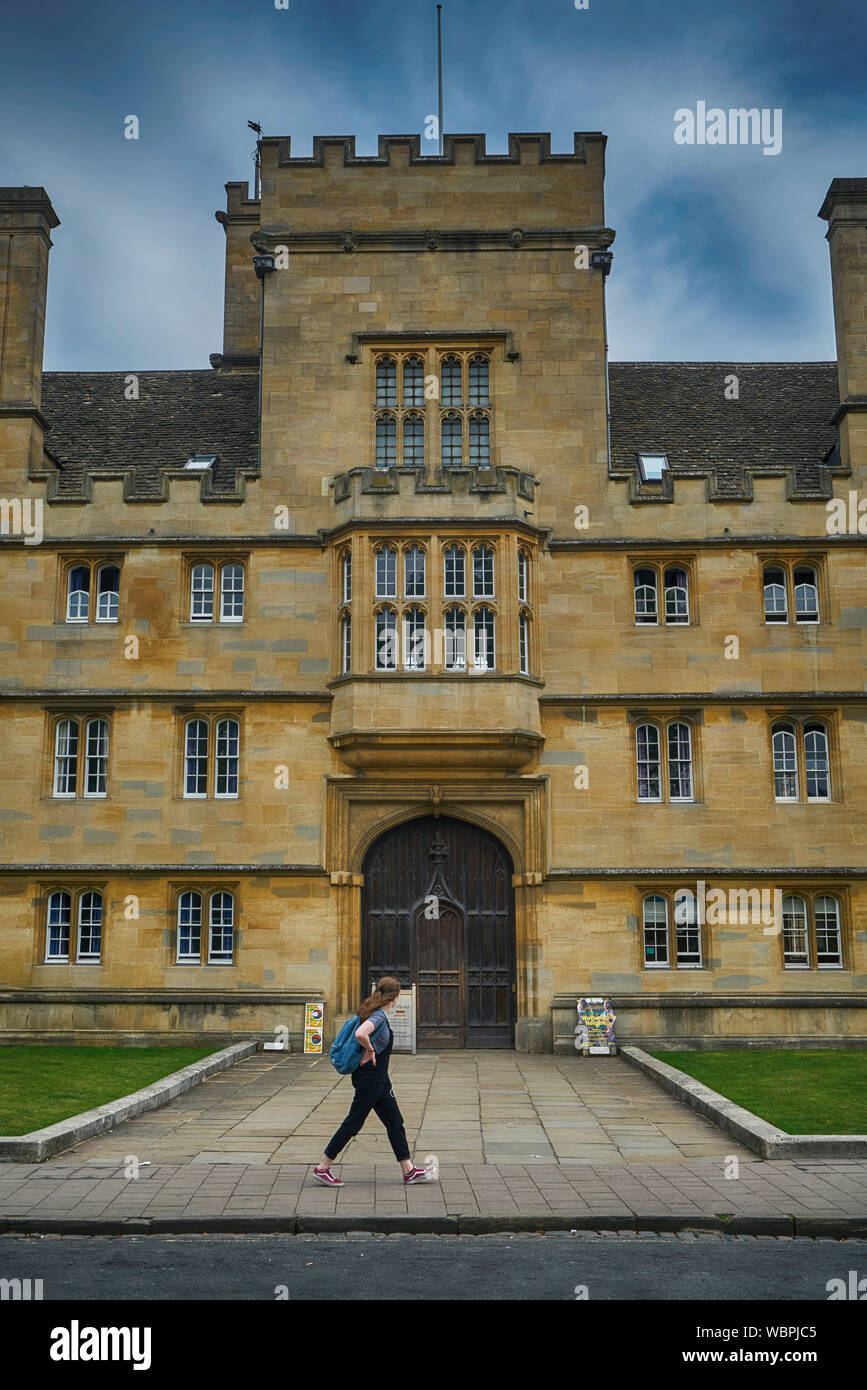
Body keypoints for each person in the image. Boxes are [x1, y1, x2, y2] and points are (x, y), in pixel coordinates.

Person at [313, 977, 428, 1186]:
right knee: (354, 1122)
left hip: (380, 1080)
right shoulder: (378, 1017)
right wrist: (371, 1049)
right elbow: (360, 1033)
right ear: (395, 997)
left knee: (395, 1122)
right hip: (370, 1080)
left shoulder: (374, 1012)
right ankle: (323, 1167)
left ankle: (408, 1170)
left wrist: (370, 1049)